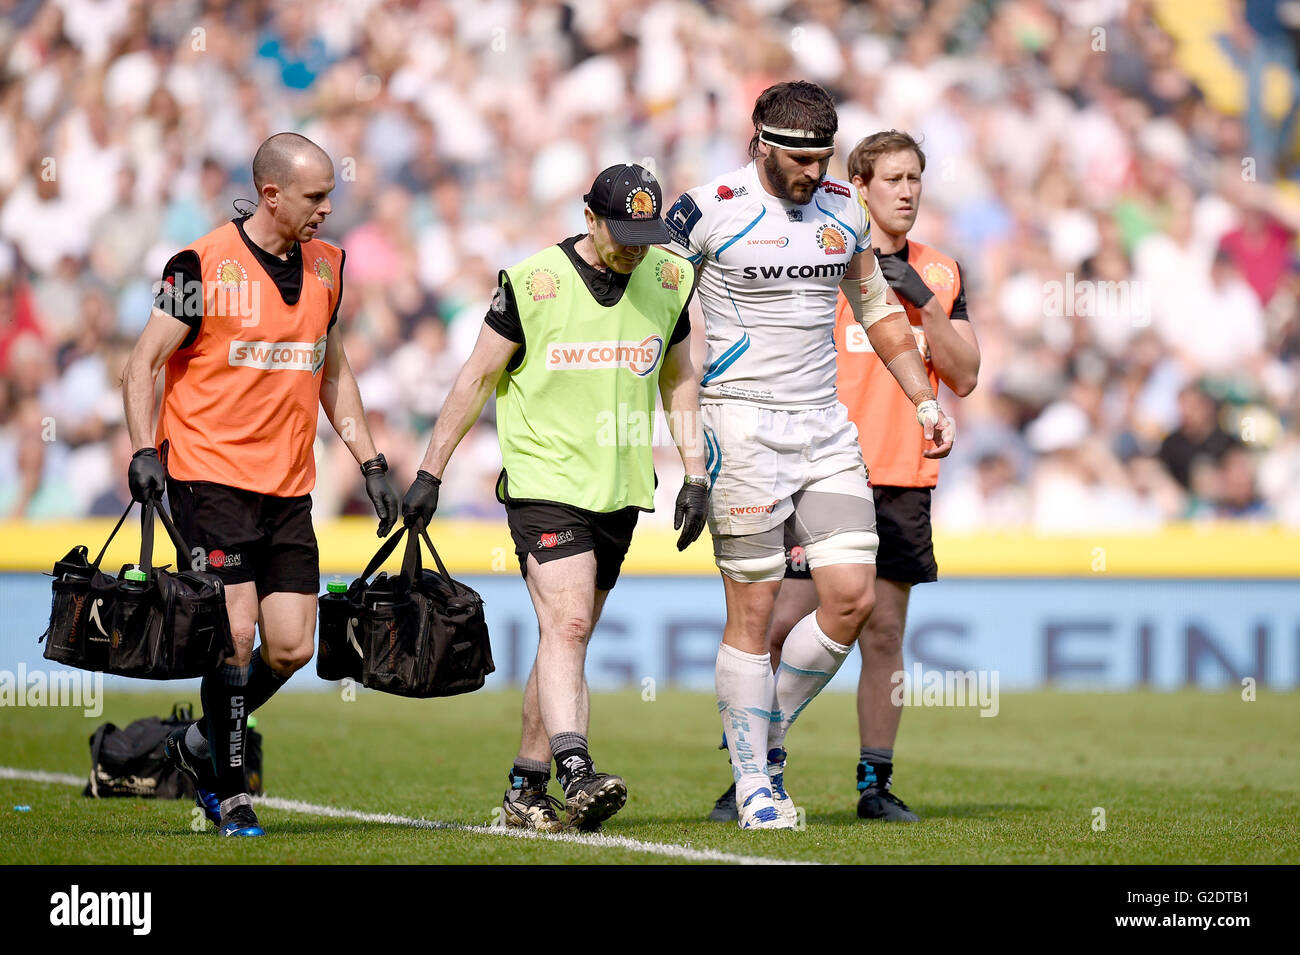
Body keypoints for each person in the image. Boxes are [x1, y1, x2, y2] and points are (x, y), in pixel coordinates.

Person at [663, 83, 954, 830]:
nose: (811, 171)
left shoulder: (842, 209)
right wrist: (689, 458)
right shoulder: (704, 211)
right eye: (798, 158)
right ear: (760, 142)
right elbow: (658, 329)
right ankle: (758, 782)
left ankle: (760, 737)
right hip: (744, 429)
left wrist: (925, 399)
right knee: (754, 613)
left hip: (825, 428)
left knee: (854, 596)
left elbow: (880, 312)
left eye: (822, 157)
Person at [402, 164, 708, 832]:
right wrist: (429, 473)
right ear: (589, 218)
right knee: (567, 625)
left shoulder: (670, 277)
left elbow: (681, 379)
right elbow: (477, 375)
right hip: (544, 484)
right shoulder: (533, 282)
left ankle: (525, 785)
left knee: (564, 641)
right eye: (622, 233)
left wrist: (695, 471)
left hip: (621, 488)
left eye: (645, 235)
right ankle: (578, 771)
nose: (636, 248)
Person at [122, 132, 399, 837]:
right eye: (315, 197)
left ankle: (195, 745)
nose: (328, 209)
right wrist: (142, 450)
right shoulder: (198, 263)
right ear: (271, 193)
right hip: (208, 478)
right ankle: (231, 790)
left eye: (331, 195)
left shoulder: (330, 267)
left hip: (288, 488)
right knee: (236, 636)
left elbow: (332, 371)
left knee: (290, 648)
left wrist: (370, 462)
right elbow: (142, 363)